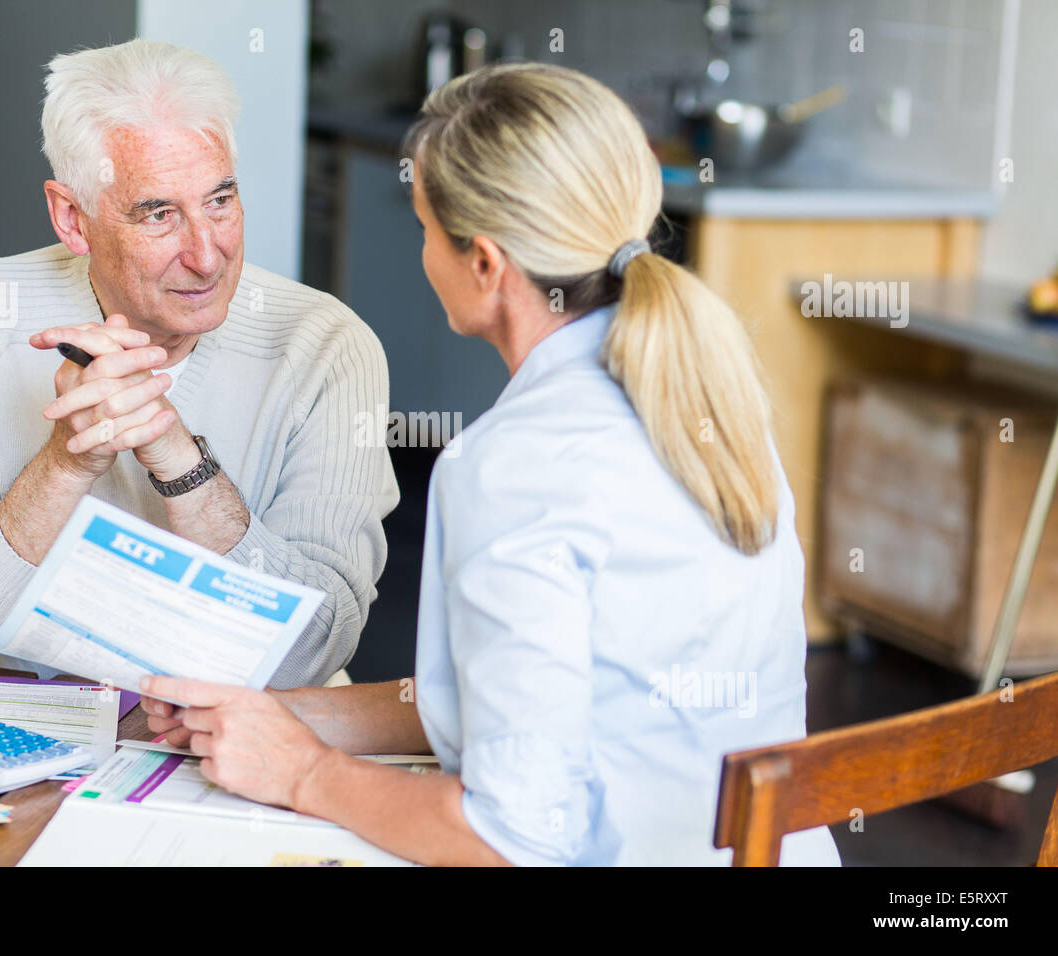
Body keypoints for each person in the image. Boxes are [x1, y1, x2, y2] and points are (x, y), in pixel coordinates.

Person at [140, 62, 842, 866]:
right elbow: (546, 700)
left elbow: (511, 841)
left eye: (425, 231)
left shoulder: (513, 467)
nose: (423, 254)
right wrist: (286, 716)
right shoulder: (708, 400)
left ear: (485, 263)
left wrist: (303, 773)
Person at [0, 39, 398, 688]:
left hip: (243, 749)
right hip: (30, 746)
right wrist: (68, 462)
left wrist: (179, 458)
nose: (207, 256)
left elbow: (308, 658)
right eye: (159, 214)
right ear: (73, 218)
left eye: (220, 201)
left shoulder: (326, 346)